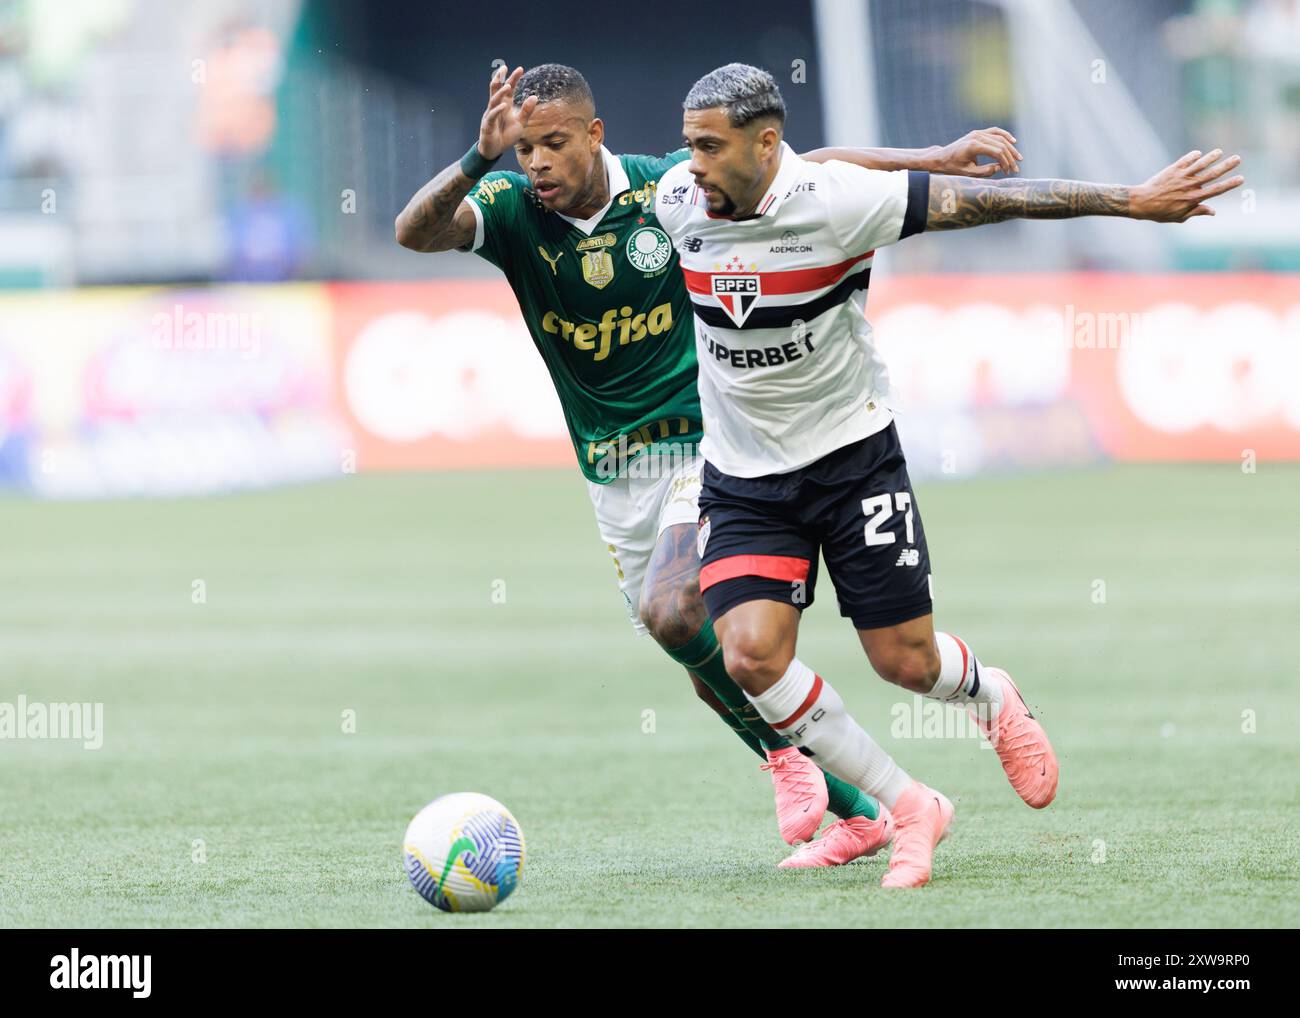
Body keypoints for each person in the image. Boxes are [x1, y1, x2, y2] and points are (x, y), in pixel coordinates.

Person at [395, 62, 1024, 865]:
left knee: (676, 611)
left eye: (553, 143)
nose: (539, 163)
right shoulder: (513, 209)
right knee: (697, 655)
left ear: (595, 133)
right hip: (611, 469)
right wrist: (479, 160)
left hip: (707, 445)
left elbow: (810, 168)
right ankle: (861, 811)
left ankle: (802, 763)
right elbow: (413, 232)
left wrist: (933, 156)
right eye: (525, 150)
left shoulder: (666, 186)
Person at [654, 62, 1243, 885]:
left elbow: (997, 201)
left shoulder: (840, 203)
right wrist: (931, 148)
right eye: (689, 148)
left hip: (851, 461)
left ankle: (992, 697)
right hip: (744, 476)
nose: (695, 166)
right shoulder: (679, 200)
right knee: (749, 657)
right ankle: (908, 804)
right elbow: (825, 151)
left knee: (906, 663)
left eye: (711, 148)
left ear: (763, 142)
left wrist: (1131, 200)